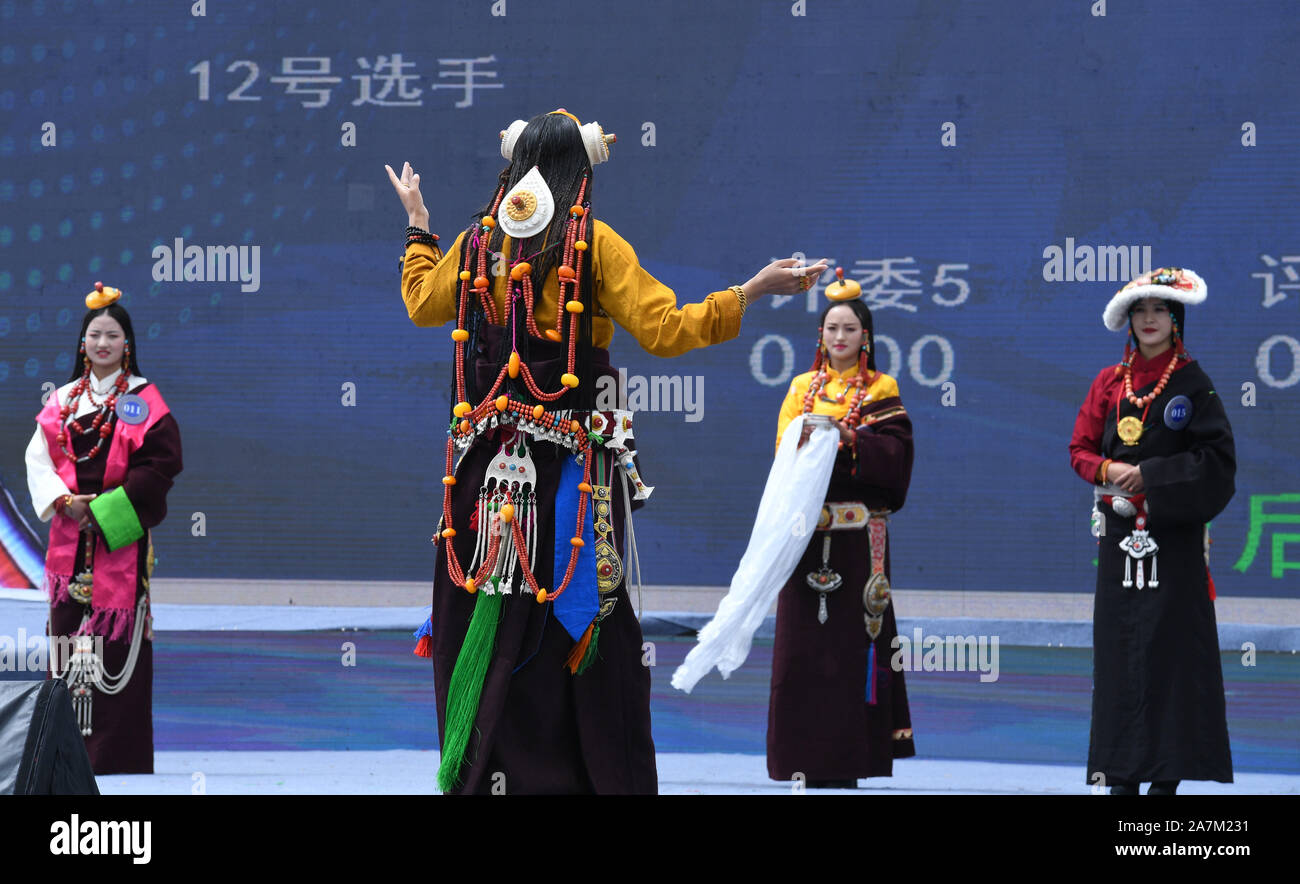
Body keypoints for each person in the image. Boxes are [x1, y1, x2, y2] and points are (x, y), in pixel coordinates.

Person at [388, 109, 826, 794]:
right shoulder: (594, 245)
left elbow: (421, 304)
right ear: (580, 174)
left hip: (480, 485)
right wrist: (752, 290)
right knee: (584, 618)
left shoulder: (478, 244)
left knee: (481, 609)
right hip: (572, 479)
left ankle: (485, 776)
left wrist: (419, 225)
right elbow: (669, 329)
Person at [1069, 267, 1234, 796]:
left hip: (1174, 542)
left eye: (1159, 310)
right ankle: (1119, 777)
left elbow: (1219, 464)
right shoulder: (1108, 383)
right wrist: (1109, 470)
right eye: (1141, 311)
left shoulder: (1194, 384)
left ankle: (1166, 779)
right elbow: (1080, 450)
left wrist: (1154, 475)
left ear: (1175, 318)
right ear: (1129, 321)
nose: (1149, 319)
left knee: (1173, 657)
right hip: (1119, 544)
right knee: (1119, 655)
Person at [25, 284, 182, 775]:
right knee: (66, 644)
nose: (102, 344)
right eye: (95, 335)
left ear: (127, 343)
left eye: (112, 335)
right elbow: (37, 459)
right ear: (82, 343)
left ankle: (118, 756)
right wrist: (66, 503)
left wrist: (107, 510)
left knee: (118, 647)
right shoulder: (64, 400)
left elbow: (161, 464)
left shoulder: (143, 399)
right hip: (68, 542)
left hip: (120, 540)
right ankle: (60, 756)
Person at [765, 291, 916, 787]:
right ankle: (798, 763)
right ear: (820, 335)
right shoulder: (801, 387)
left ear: (865, 337)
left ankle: (854, 762)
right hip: (804, 534)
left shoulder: (881, 389)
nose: (839, 337)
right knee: (800, 650)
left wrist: (851, 439)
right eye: (831, 328)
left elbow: (895, 459)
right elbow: (784, 456)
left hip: (857, 540)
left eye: (849, 329)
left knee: (854, 648)